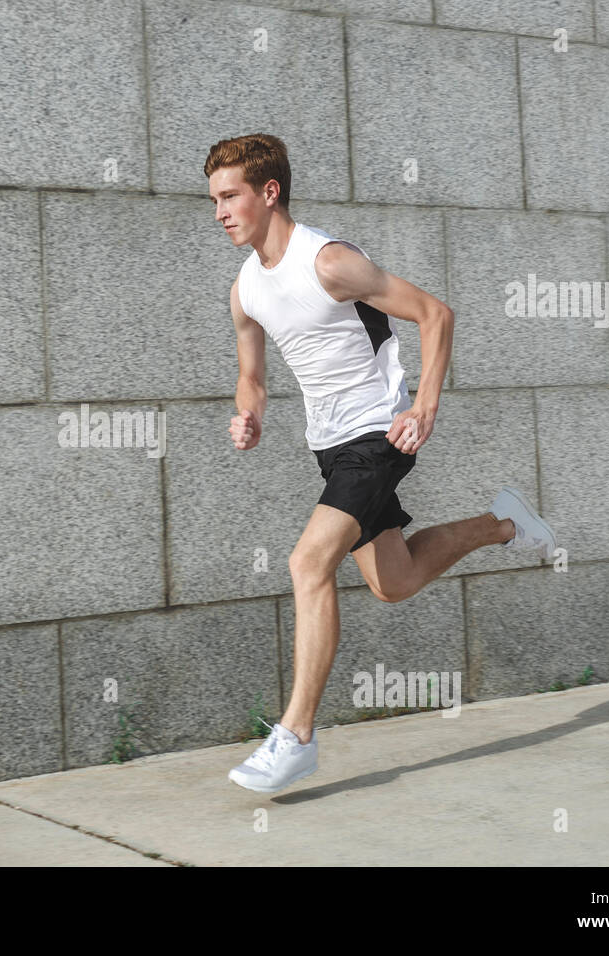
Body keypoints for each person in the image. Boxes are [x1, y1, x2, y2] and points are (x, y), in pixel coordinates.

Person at [205, 133, 558, 794]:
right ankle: (503, 523)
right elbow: (250, 377)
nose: (220, 211)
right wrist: (248, 411)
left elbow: (434, 314)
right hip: (330, 447)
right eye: (216, 200)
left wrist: (422, 407)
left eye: (230, 196)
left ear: (269, 191)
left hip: (378, 434)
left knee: (308, 562)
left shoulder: (330, 262)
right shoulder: (246, 288)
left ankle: (297, 737)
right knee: (393, 582)